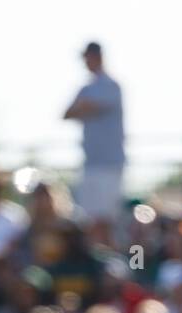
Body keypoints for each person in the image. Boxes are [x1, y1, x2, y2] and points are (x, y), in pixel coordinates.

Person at [63, 42, 125, 242]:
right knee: (90, 220)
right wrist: (86, 107)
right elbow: (67, 113)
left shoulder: (111, 86)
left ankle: (114, 263)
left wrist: (86, 107)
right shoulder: (86, 88)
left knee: (107, 220)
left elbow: (88, 106)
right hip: (91, 163)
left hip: (110, 164)